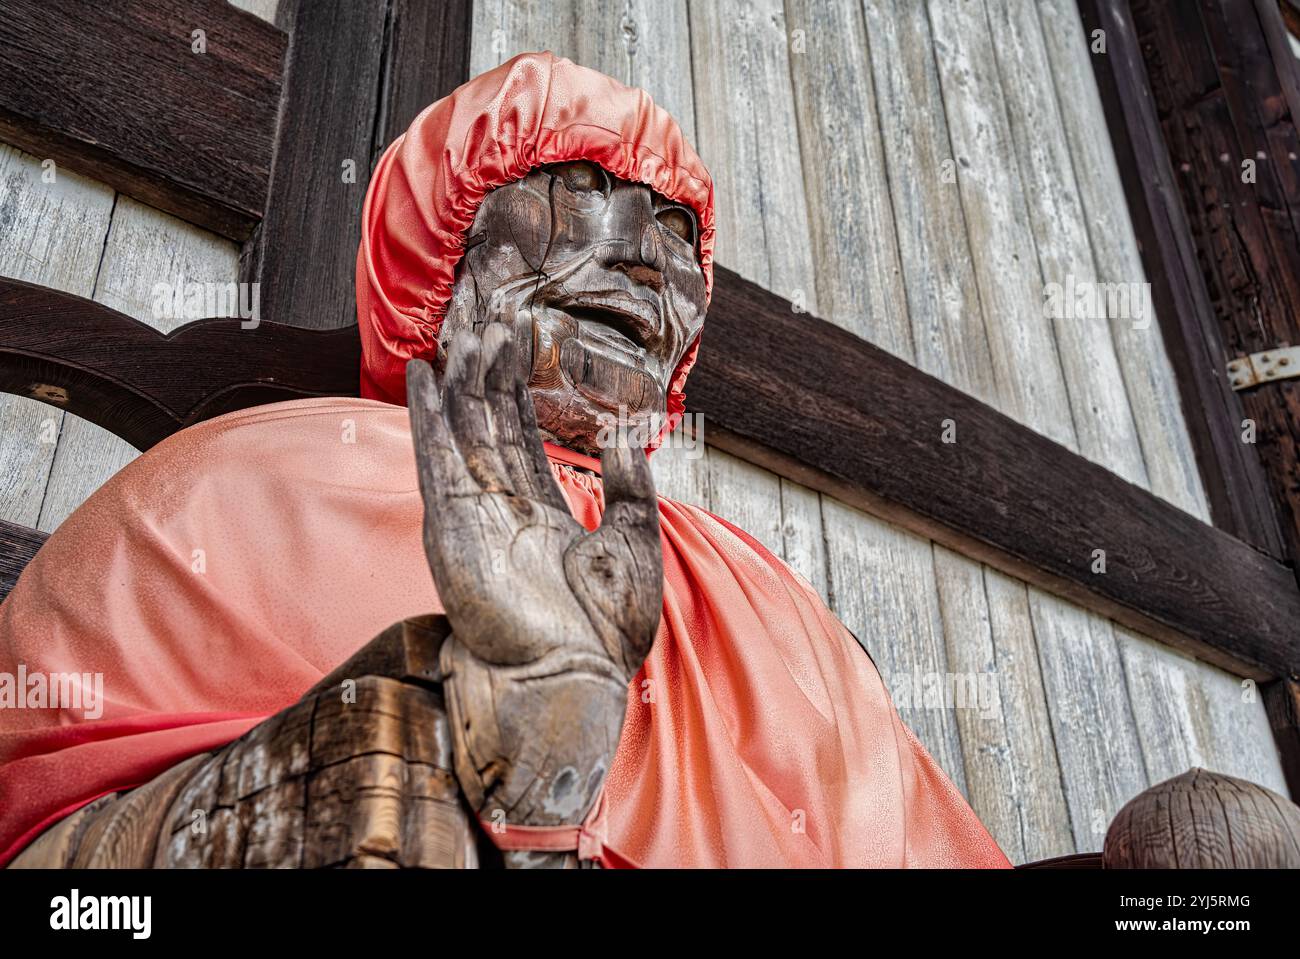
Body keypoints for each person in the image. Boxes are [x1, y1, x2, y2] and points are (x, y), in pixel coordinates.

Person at [0, 52, 1008, 869]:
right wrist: (311, 785)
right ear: (435, 242)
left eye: (672, 230)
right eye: (577, 188)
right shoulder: (224, 494)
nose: (641, 257)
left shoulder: (773, 606)